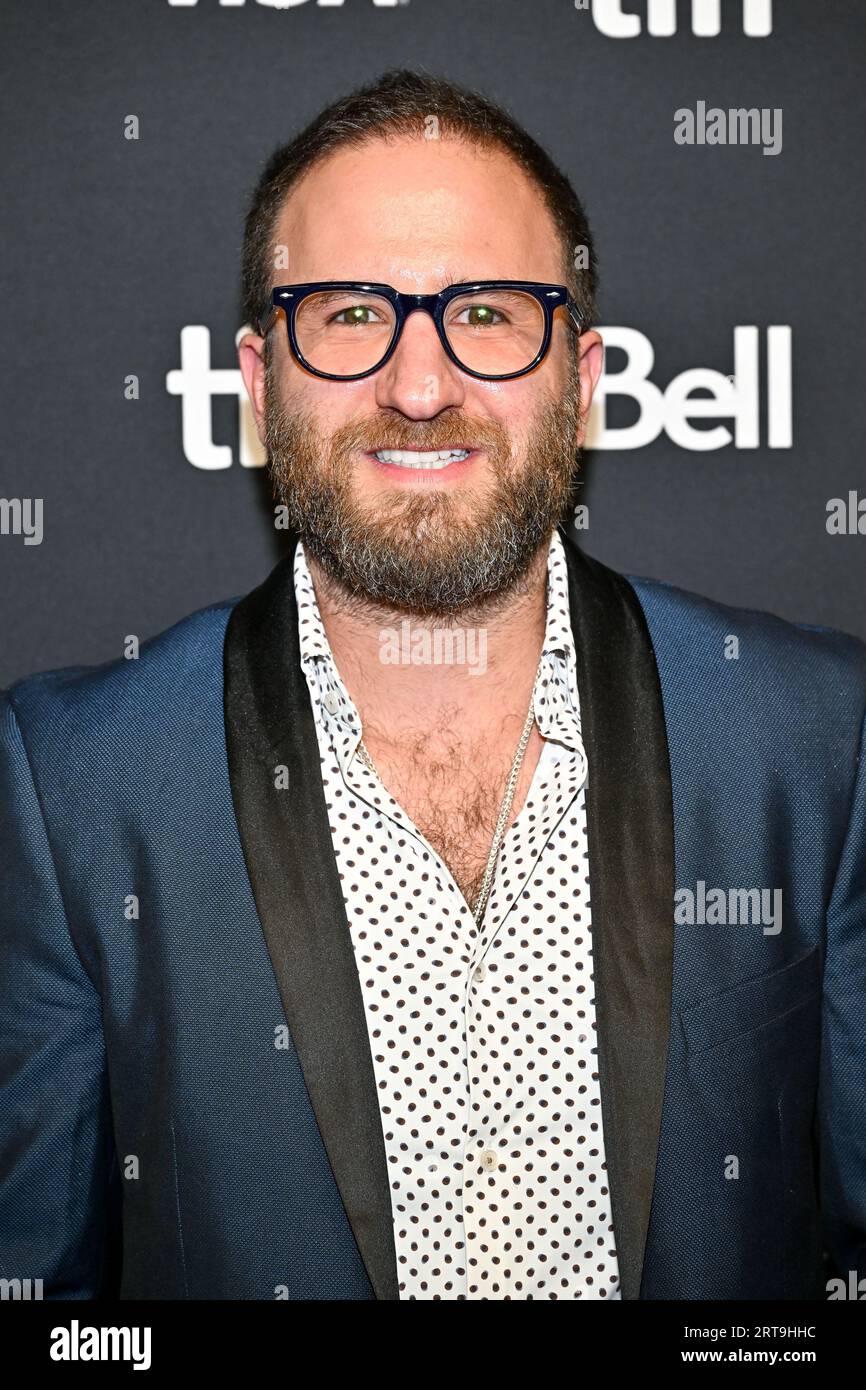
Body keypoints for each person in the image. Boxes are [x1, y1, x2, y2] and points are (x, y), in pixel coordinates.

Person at [1, 69, 864, 1302]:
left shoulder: (812, 739)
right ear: (256, 382)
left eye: (489, 312)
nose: (418, 386)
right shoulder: (73, 782)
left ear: (582, 373)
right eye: (350, 314)